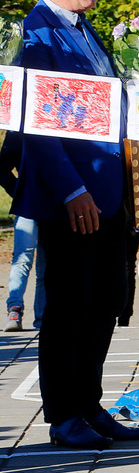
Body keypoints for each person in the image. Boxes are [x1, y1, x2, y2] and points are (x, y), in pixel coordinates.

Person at [16, 0, 139, 447]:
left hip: (111, 192)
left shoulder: (83, 28)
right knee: (70, 307)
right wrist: (72, 190)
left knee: (105, 301)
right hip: (73, 196)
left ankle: (90, 407)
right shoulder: (36, 34)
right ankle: (64, 417)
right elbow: (37, 124)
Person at [0, 132, 44, 332]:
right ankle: (14, 309)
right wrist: (19, 193)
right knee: (22, 258)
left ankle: (42, 317)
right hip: (27, 206)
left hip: (55, 205)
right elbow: (2, 168)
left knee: (45, 263)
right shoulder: (18, 131)